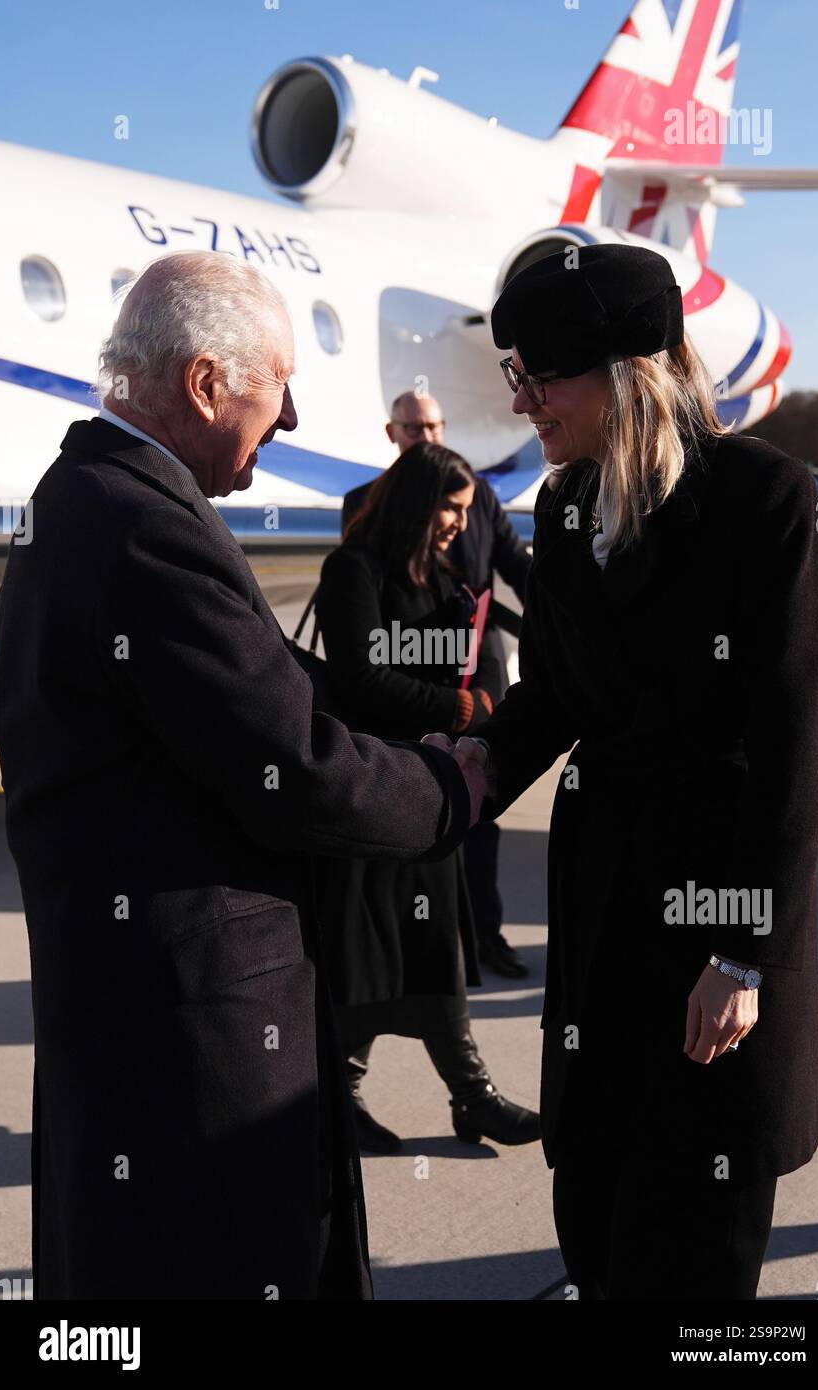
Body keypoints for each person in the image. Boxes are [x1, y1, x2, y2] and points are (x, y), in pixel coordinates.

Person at [0, 251, 487, 1301]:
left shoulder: (86, 499)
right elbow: (294, 765)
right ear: (208, 383)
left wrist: (405, 719)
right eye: (279, 383)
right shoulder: (138, 522)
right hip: (194, 1058)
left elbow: (265, 686)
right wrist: (452, 788)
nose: (295, 416)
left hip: (132, 1035)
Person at [428, 244, 818, 1300]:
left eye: (537, 376)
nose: (520, 402)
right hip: (602, 928)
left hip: (715, 951)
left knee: (695, 1253)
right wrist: (474, 759)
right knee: (596, 1219)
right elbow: (557, 693)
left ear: (621, 373)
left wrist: (742, 954)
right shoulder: (564, 512)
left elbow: (788, 752)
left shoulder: (763, 499)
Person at [314, 443, 540, 1153]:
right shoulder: (353, 570)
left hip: (430, 793)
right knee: (369, 954)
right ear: (416, 500)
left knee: (434, 948)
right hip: (373, 791)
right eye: (448, 507)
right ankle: (340, 1095)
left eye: (465, 512)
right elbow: (360, 680)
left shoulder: (442, 575)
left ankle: (468, 1095)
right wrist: (463, 710)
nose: (456, 524)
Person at [344, 391, 533, 979]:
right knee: (405, 812)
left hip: (477, 681)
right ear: (391, 432)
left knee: (481, 815)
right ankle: (410, 949)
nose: (426, 436)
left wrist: (564, 627)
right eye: (413, 427)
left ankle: (483, 935)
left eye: (434, 425)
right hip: (411, 685)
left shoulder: (477, 497)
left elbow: (518, 569)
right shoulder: (364, 504)